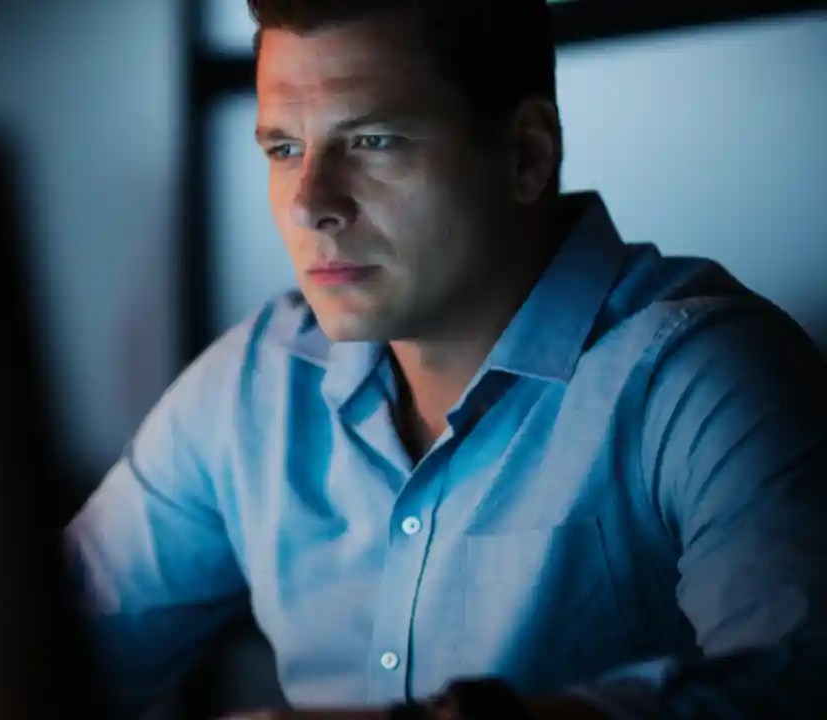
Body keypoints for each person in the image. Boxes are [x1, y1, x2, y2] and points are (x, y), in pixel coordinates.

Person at [66, 1, 827, 718]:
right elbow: (47, 653)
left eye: (372, 141)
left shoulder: (701, 374)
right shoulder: (256, 387)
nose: (310, 203)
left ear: (526, 155)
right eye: (285, 149)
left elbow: (799, 685)